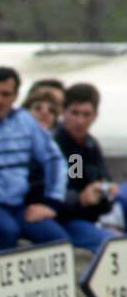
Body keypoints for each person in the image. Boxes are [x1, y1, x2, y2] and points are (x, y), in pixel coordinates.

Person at [0, 68, 71, 258]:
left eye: (5, 94)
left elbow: (57, 161)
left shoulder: (26, 121)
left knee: (57, 238)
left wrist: (53, 202)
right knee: (6, 230)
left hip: (24, 204)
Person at [54, 83, 127, 248]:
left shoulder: (90, 143)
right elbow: (74, 184)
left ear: (95, 116)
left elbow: (104, 178)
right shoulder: (67, 148)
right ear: (63, 112)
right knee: (113, 244)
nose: (80, 121)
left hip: (96, 210)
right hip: (69, 218)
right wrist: (81, 198)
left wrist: (105, 188)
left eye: (86, 114)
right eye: (75, 113)